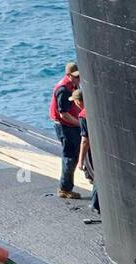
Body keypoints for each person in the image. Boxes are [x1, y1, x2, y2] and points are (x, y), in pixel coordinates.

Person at [48, 62, 83, 199]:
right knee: (70, 157)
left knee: (74, 154)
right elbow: (63, 114)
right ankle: (64, 188)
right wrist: (80, 124)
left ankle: (67, 186)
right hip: (65, 126)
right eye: (76, 76)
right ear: (68, 75)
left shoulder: (73, 85)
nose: (78, 78)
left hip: (71, 124)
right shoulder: (63, 90)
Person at [71, 89, 100, 214]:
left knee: (96, 177)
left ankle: (95, 204)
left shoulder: (83, 115)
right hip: (101, 147)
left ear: (78, 101)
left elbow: (85, 140)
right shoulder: (96, 108)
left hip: (92, 150)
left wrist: (80, 160)